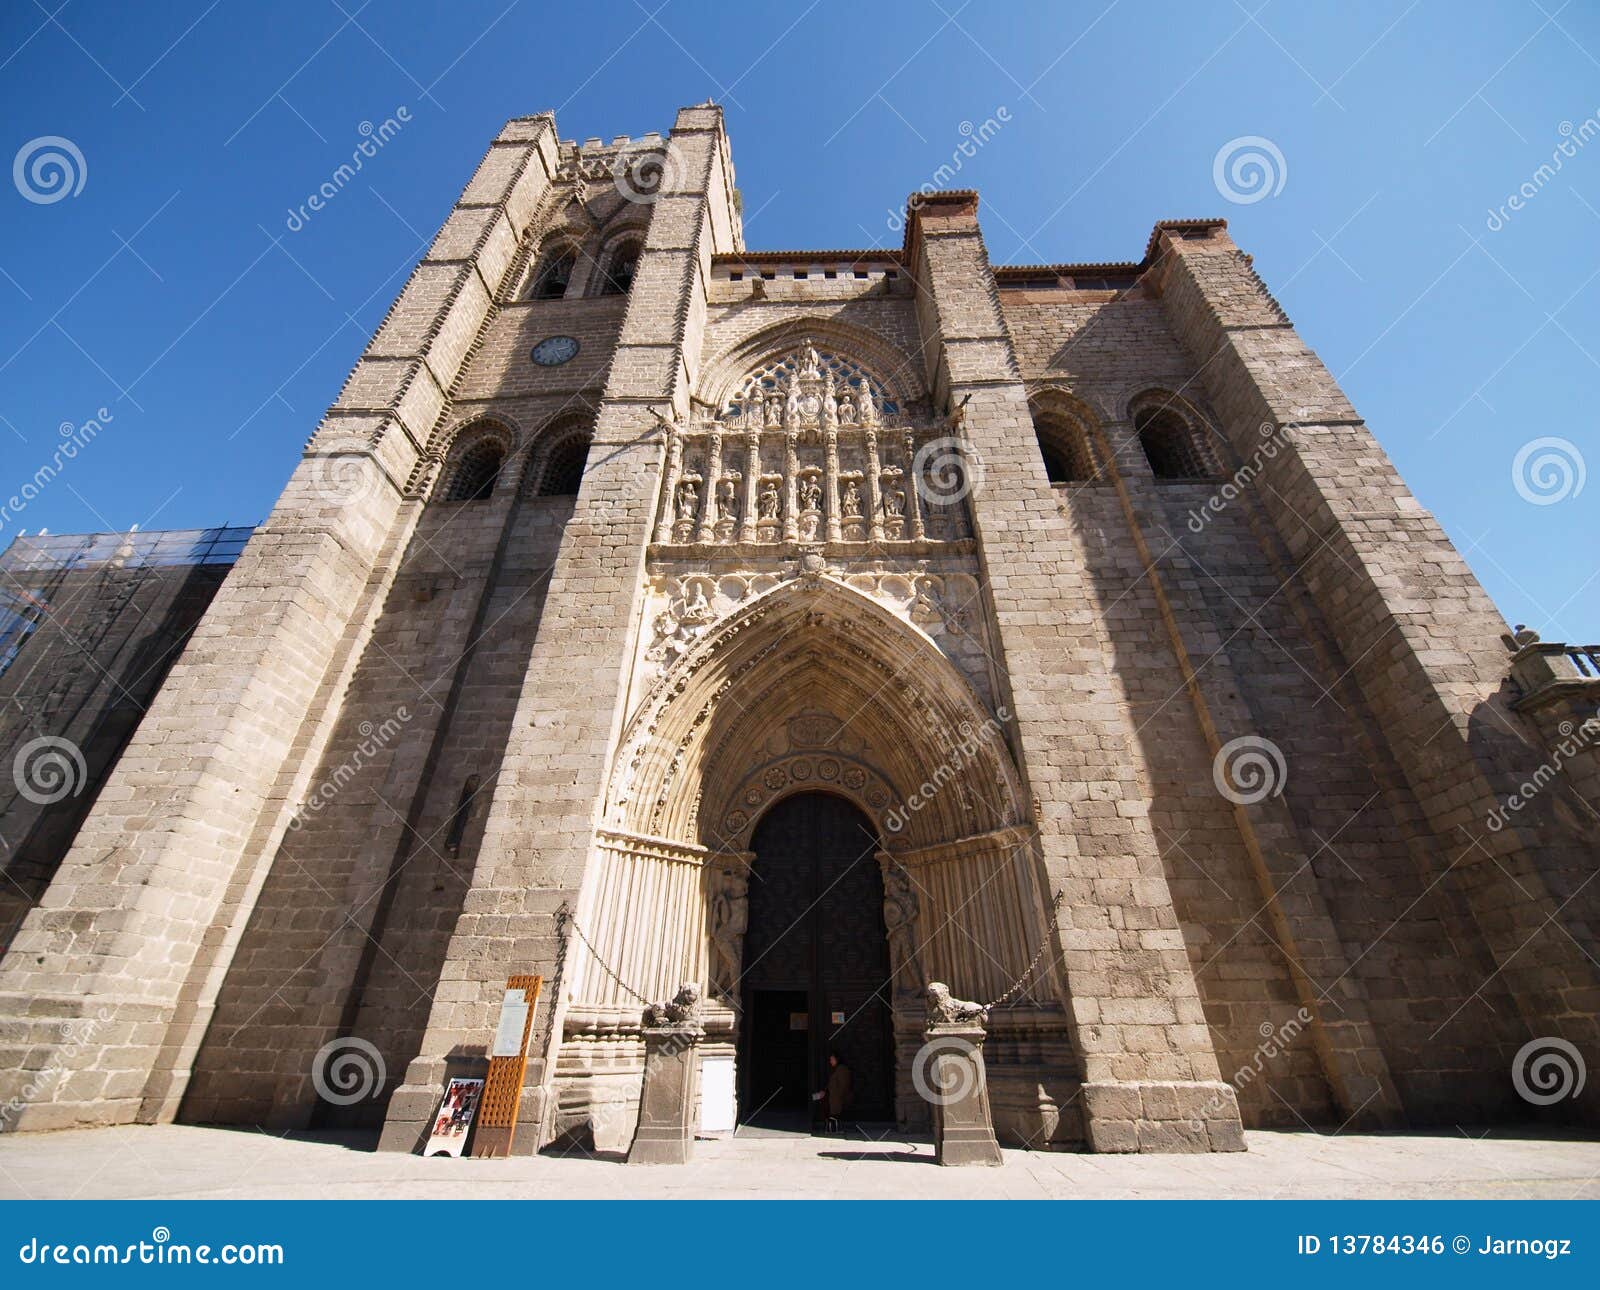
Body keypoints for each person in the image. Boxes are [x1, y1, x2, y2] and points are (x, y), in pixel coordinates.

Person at [810, 1052, 852, 1133]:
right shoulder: (836, 1069)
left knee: (832, 1114)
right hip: (829, 1097)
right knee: (813, 1098)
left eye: (832, 1059)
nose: (830, 1061)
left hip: (835, 1099)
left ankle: (832, 1129)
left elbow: (843, 1086)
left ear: (837, 1059)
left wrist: (830, 1094)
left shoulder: (842, 1070)